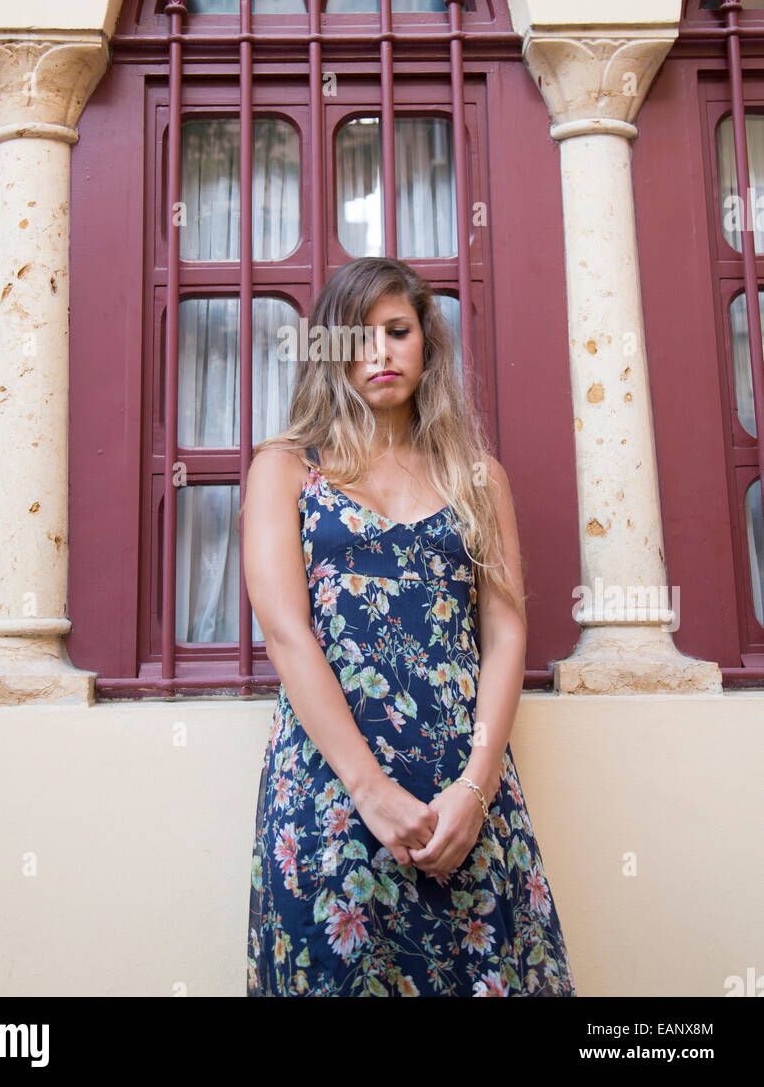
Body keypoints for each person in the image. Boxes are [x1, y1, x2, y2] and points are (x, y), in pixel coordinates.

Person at [241, 256, 575, 996]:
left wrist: (476, 791)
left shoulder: (477, 475)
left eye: (397, 331)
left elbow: (506, 631)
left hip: (465, 791)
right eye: (358, 337)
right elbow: (287, 633)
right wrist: (369, 792)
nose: (380, 352)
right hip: (332, 789)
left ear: (426, 343)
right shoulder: (286, 469)